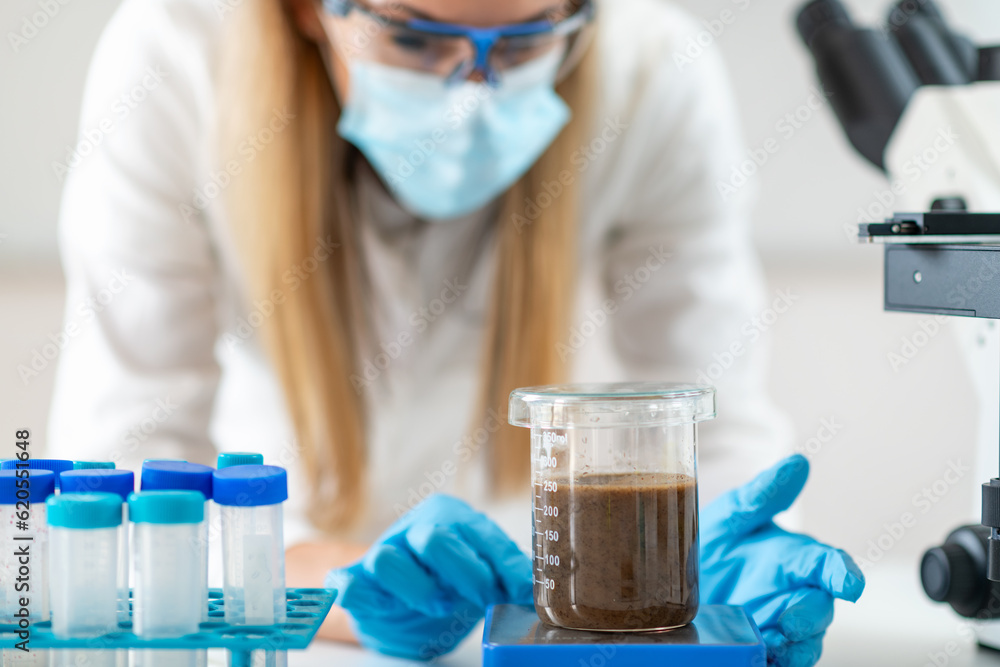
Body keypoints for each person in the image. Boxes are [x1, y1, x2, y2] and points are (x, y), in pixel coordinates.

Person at [47, 0, 863, 664]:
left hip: (531, 610)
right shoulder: (174, 59)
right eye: (412, 35)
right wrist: (327, 583)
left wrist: (722, 565)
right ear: (306, 11)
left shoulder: (654, 70)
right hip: (273, 601)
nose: (474, 87)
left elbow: (710, 418)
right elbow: (112, 487)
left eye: (525, 41)